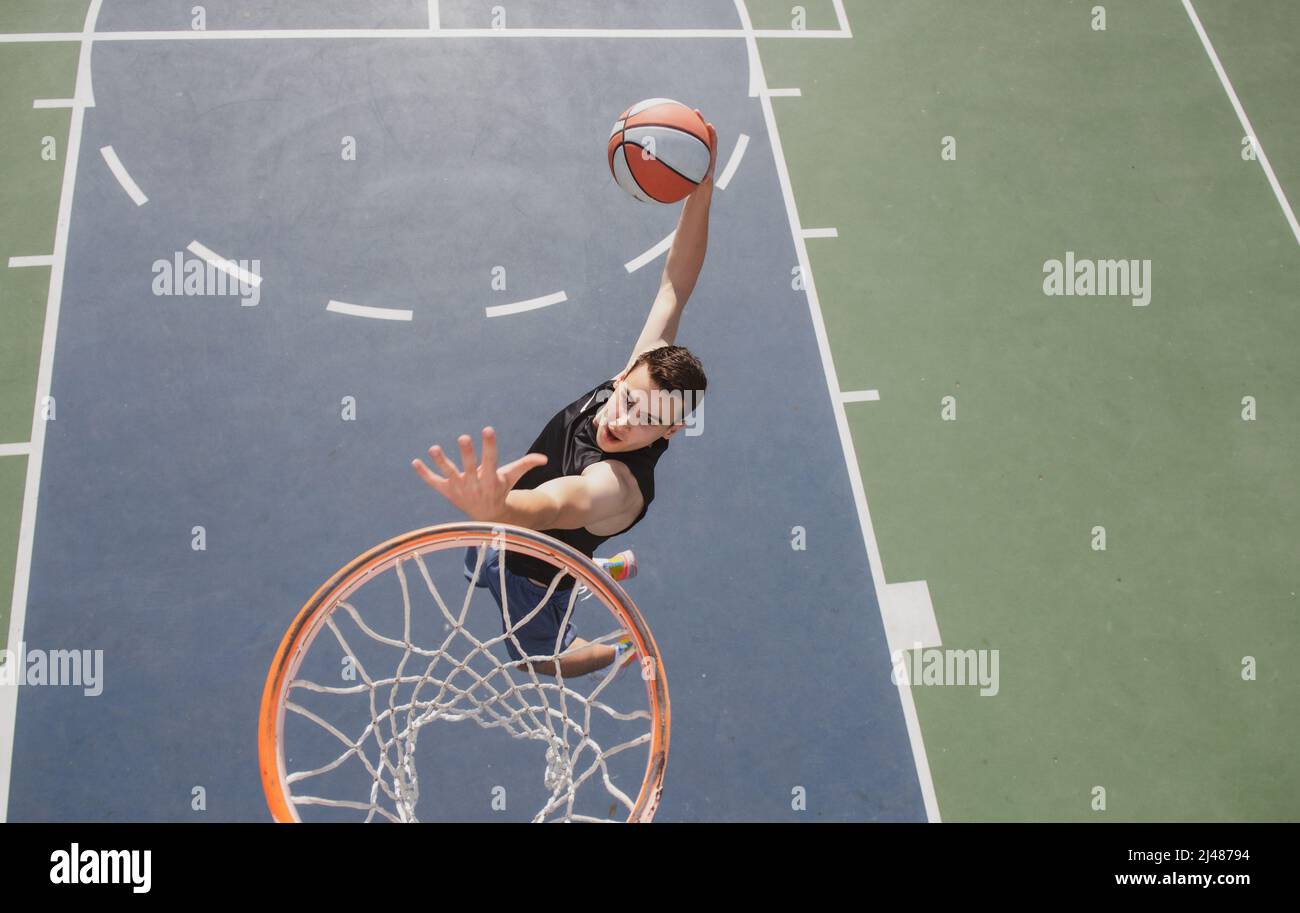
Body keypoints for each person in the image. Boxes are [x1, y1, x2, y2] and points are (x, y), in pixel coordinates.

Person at [411, 118, 717, 677]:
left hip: (533, 572)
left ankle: (624, 648)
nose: (624, 418)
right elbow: (677, 281)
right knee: (480, 559)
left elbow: (551, 506)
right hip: (505, 527)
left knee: (539, 659)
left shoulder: (612, 487)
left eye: (647, 421)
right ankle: (600, 566)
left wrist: (496, 508)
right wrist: (701, 184)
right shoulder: (641, 377)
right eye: (627, 398)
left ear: (670, 433)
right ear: (626, 375)